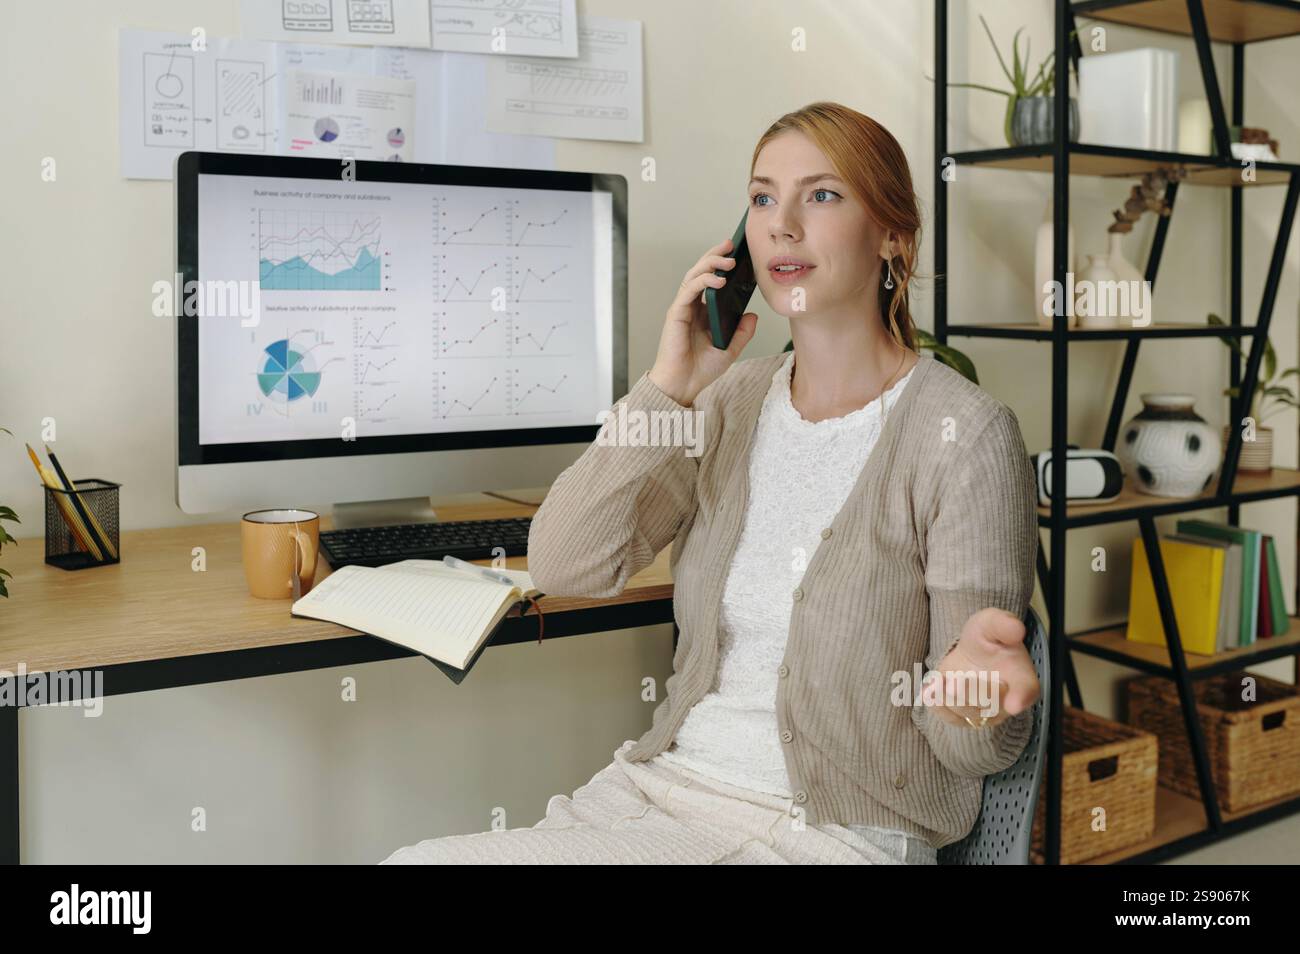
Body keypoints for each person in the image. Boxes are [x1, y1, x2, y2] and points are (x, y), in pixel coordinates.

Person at [382, 101, 1040, 865]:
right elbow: (566, 564)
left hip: (834, 835)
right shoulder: (729, 402)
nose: (782, 225)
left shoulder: (965, 435)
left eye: (821, 195)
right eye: (763, 198)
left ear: (893, 234)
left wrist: (973, 703)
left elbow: (974, 752)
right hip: (660, 796)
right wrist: (670, 384)